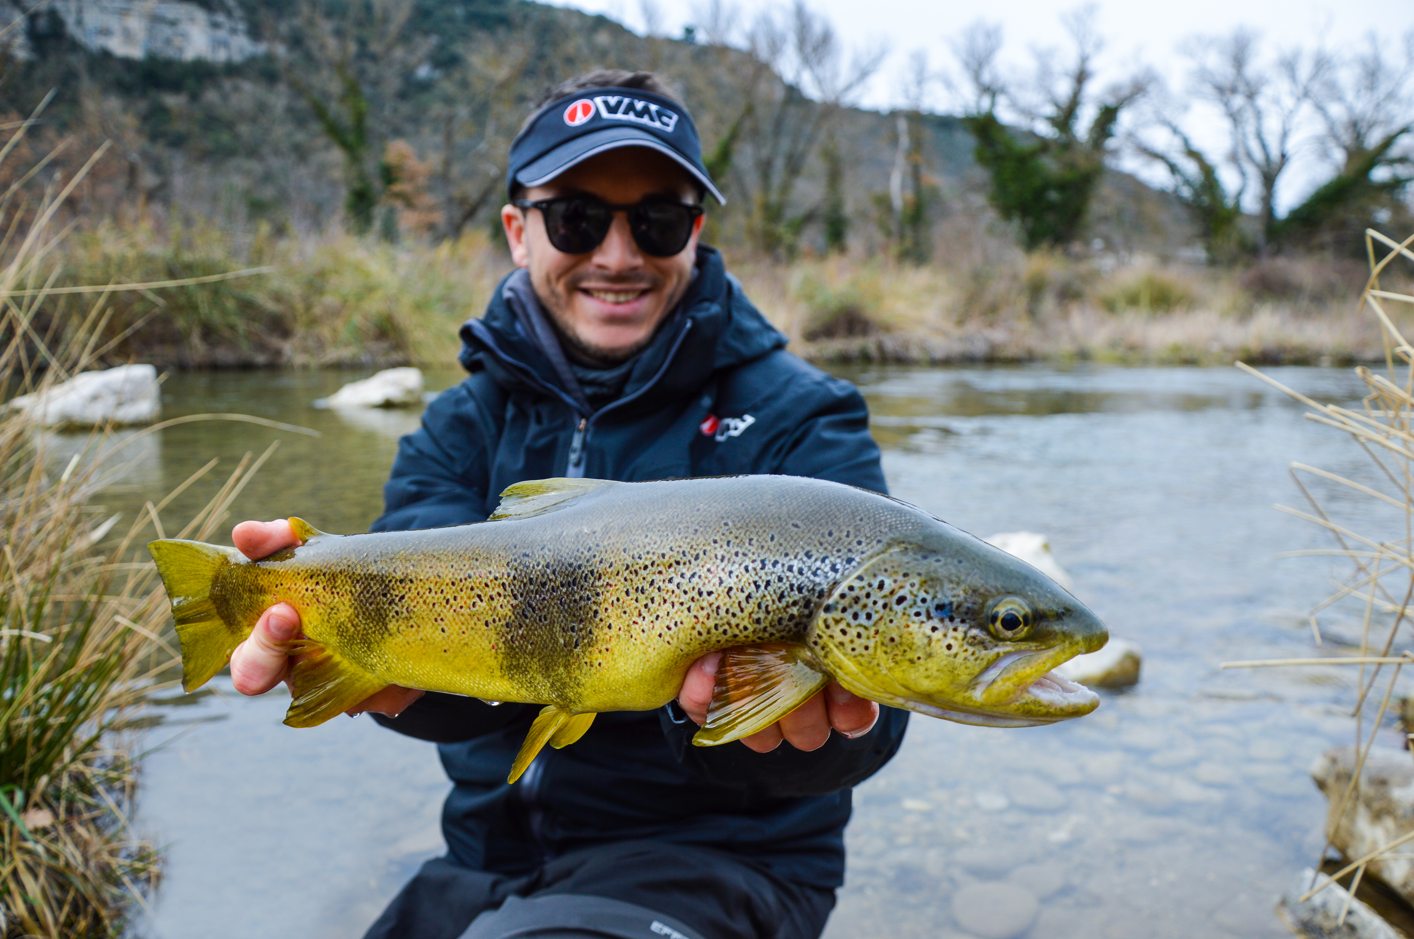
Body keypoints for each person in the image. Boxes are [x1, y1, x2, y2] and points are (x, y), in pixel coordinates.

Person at [226, 70, 908, 939]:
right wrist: (355, 662)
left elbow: (877, 726)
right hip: (486, 858)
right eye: (577, 218)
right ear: (518, 231)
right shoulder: (459, 427)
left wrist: (784, 715)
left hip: (723, 861)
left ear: (694, 232)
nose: (618, 255)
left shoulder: (801, 420)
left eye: (656, 220)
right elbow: (440, 661)